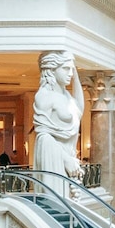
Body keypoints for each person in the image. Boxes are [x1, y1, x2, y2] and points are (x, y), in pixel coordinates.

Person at [32, 52, 86, 180]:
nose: (70, 73)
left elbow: (80, 108)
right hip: (54, 160)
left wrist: (76, 78)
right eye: (66, 69)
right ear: (51, 70)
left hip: (69, 156)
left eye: (71, 69)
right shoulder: (44, 96)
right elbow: (43, 137)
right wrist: (65, 159)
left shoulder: (67, 96)